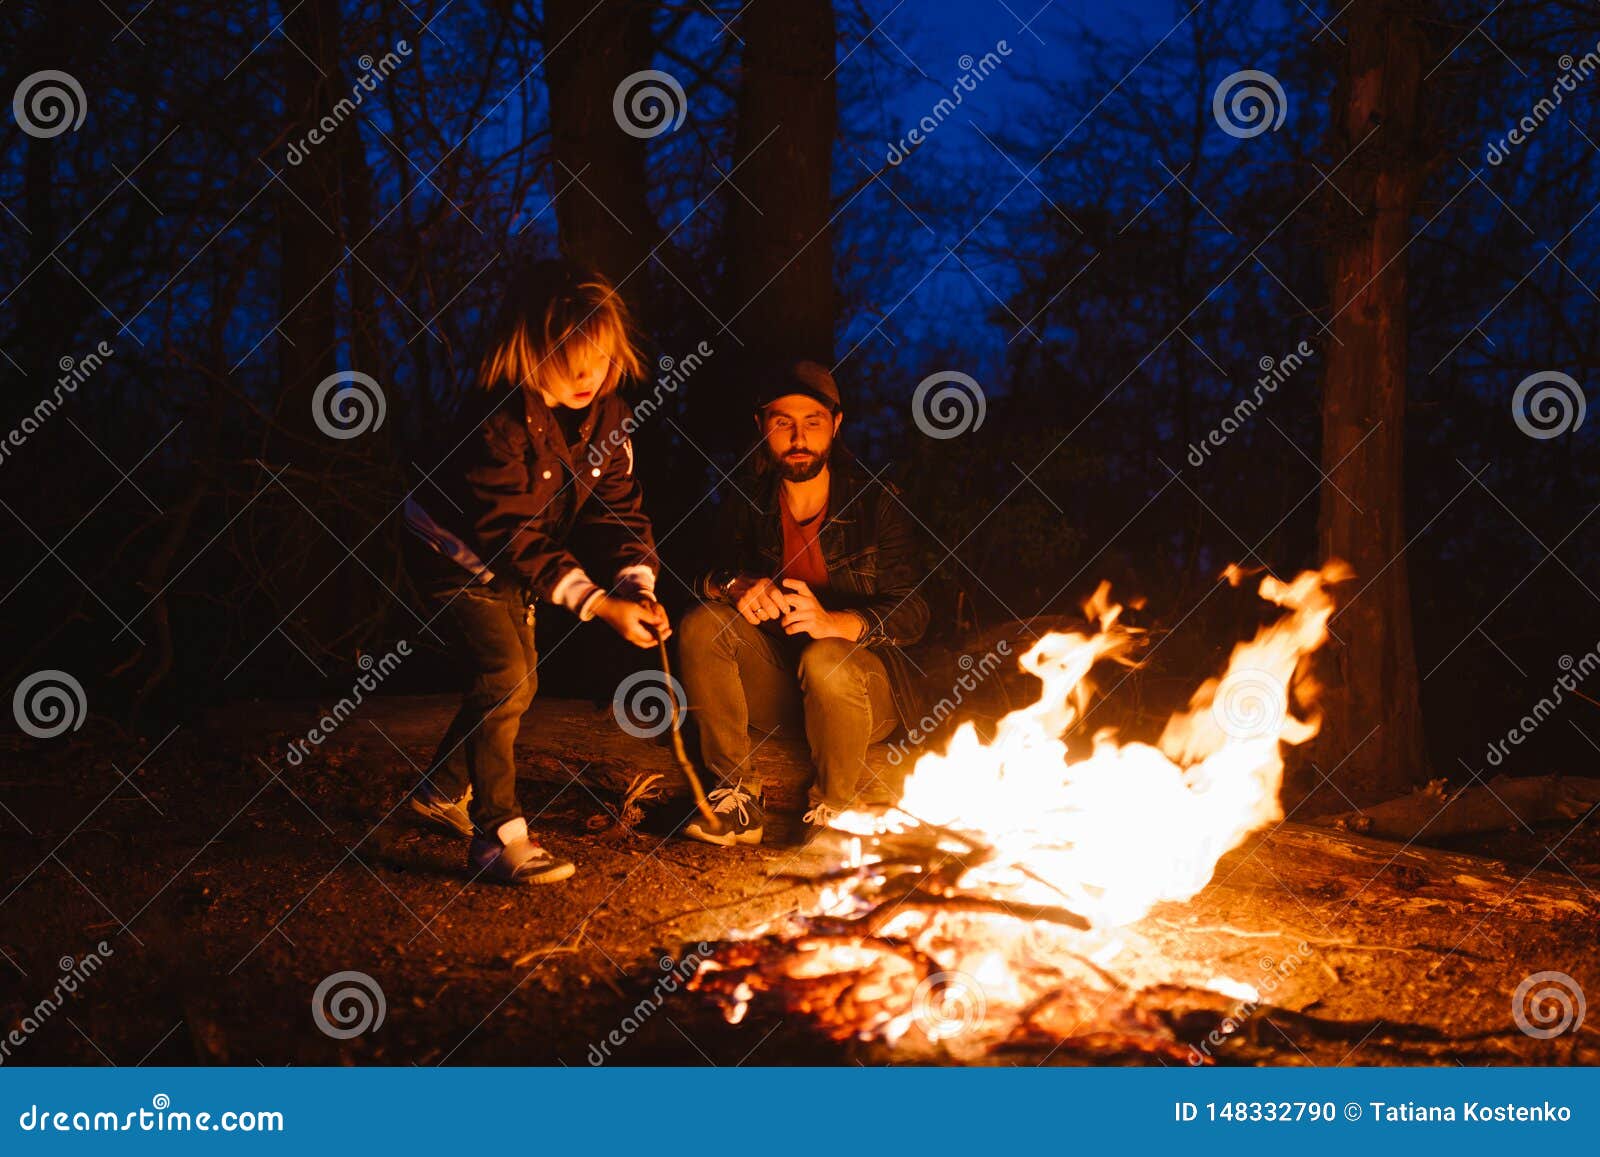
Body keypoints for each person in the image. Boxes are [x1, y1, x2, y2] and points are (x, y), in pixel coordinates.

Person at [401, 260, 669, 884]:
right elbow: (510, 533)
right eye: (568, 357)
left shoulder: (607, 416)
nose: (586, 375)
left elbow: (616, 508)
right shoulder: (496, 423)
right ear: (529, 351)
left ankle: (440, 791)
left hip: (516, 558)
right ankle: (496, 838)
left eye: (599, 359)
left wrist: (635, 583)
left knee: (519, 681)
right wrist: (598, 604)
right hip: (451, 553)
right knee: (507, 672)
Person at [676, 360, 928, 846]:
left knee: (826, 656)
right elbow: (686, 576)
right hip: (779, 692)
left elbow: (915, 612)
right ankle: (734, 801)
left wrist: (836, 621)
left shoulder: (877, 504)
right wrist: (732, 585)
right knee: (704, 623)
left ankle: (835, 814)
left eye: (812, 422)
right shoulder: (745, 503)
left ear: (835, 425)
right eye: (782, 422)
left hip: (861, 697)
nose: (798, 437)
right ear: (761, 427)